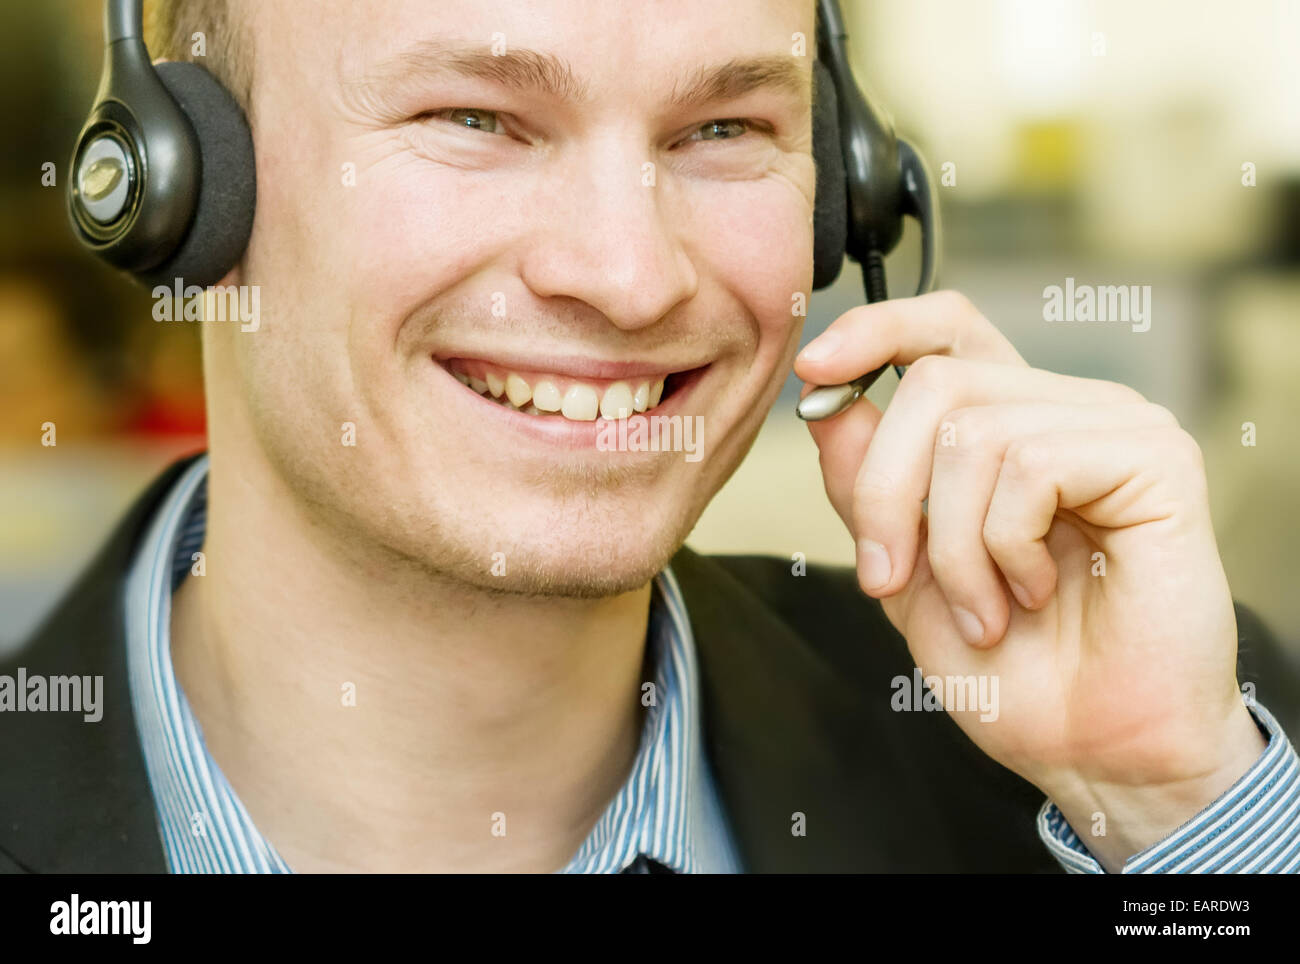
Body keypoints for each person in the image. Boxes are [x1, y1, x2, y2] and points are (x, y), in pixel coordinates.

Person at [3, 0, 1298, 874]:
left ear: (845, 189)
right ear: (177, 185)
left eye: (724, 130)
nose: (630, 278)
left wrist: (1164, 812)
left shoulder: (1168, 751)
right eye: (476, 119)